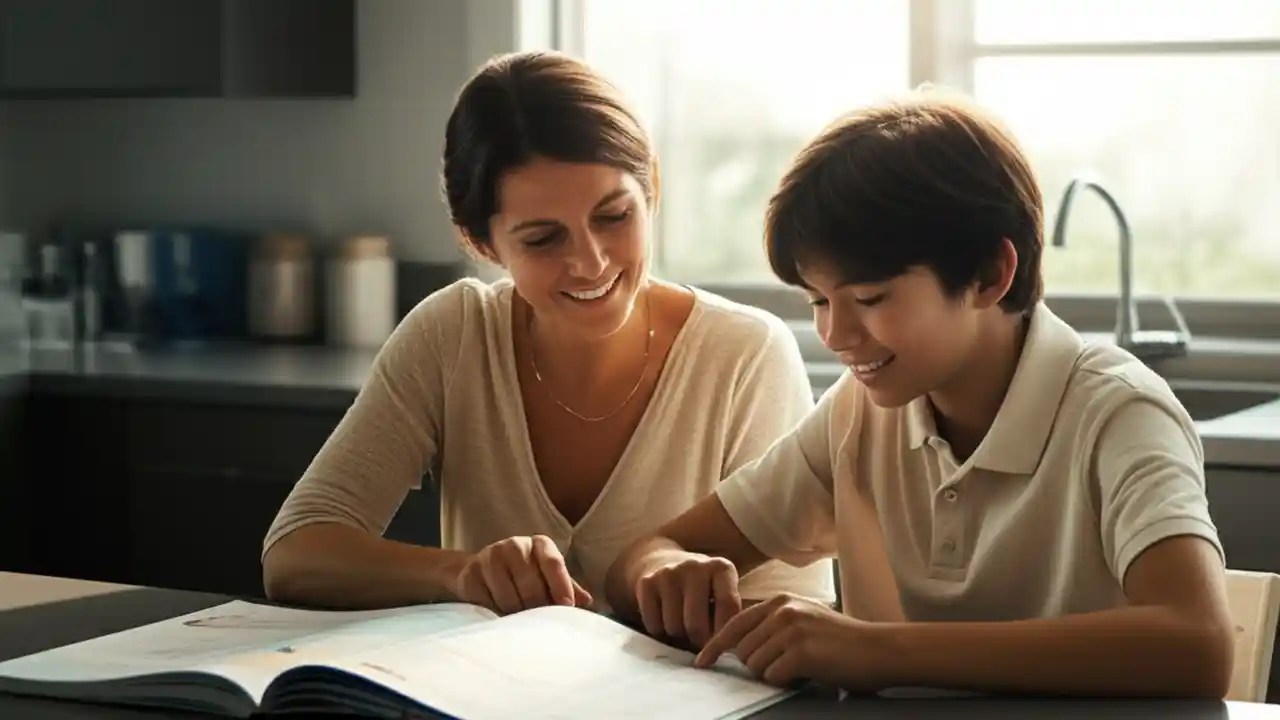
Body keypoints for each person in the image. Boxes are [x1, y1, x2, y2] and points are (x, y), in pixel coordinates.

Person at [605, 89, 1234, 698]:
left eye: (870, 298)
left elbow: (1197, 643)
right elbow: (641, 558)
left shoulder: (1118, 412)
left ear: (990, 274)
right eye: (818, 301)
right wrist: (664, 570)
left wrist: (878, 652)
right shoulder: (858, 412)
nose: (835, 334)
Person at [260, 50, 834, 617]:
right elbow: (295, 553)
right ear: (481, 242)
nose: (591, 261)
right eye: (542, 239)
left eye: (614, 217)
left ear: (652, 187)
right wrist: (461, 574)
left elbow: (791, 610)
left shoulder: (745, 355)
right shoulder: (453, 335)